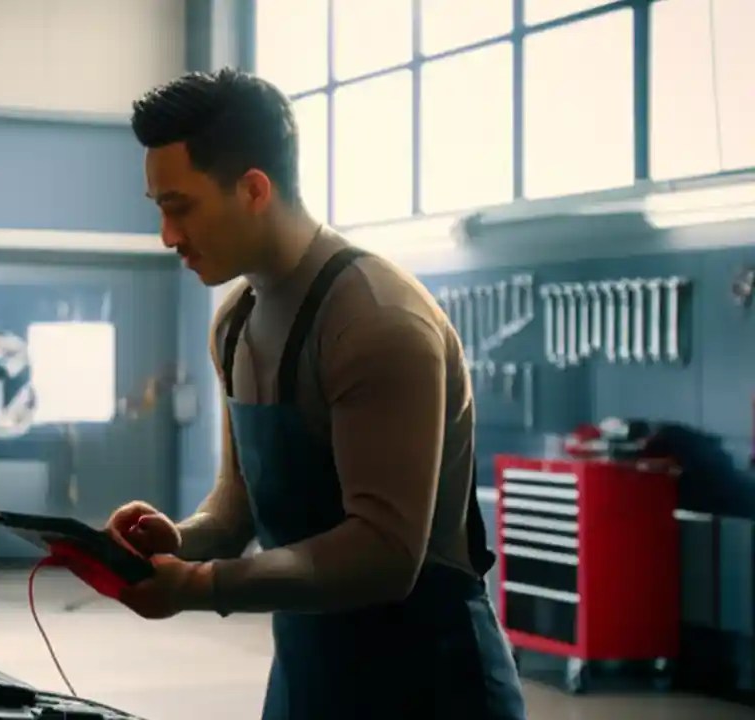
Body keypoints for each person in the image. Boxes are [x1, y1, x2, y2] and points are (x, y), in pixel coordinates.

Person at [104, 68, 527, 719]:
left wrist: (198, 586)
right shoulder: (235, 320)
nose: (167, 236)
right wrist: (177, 543)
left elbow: (385, 552)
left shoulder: (377, 320)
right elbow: (235, 509)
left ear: (252, 190)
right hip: (309, 679)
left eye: (178, 206)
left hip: (432, 687)